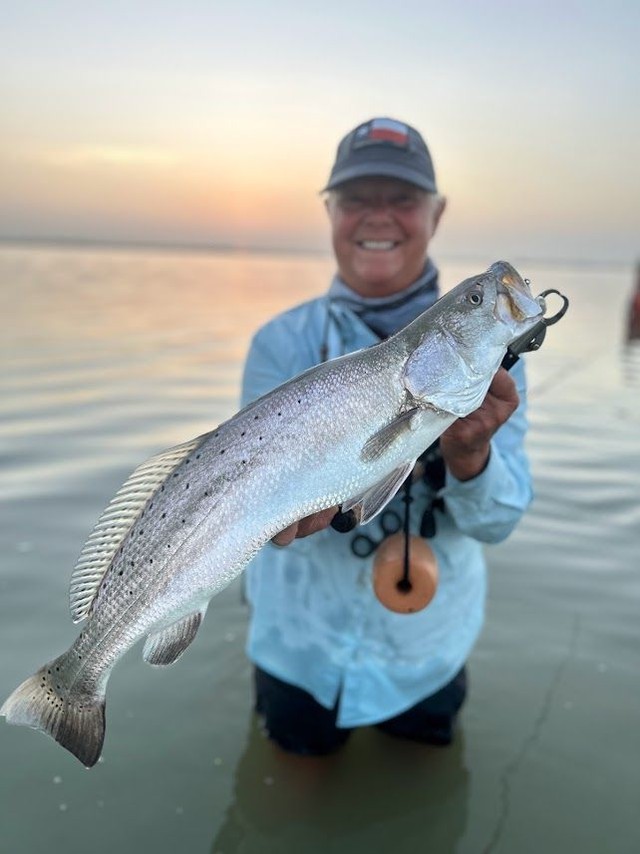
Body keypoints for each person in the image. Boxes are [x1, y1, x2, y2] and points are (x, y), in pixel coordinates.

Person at [240, 117, 532, 755]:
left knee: (419, 791)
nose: (379, 218)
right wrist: (267, 517)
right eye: (355, 199)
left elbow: (499, 523)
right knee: (293, 793)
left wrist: (471, 456)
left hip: (423, 651)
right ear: (329, 211)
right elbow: (245, 502)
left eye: (401, 198)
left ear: (437, 211)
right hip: (298, 644)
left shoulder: (494, 356)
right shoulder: (279, 343)